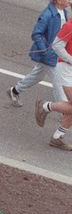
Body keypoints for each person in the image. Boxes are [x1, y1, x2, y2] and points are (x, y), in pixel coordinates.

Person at [9, 0, 69, 106]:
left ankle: (14, 91)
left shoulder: (64, 12)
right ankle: (64, 111)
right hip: (50, 55)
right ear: (59, 1)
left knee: (37, 75)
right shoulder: (47, 15)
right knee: (60, 85)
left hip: (55, 53)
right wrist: (46, 52)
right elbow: (37, 34)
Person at [35, 14, 72, 150]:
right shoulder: (69, 26)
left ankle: (57, 138)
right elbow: (57, 47)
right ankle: (45, 106)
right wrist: (70, 59)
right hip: (67, 69)